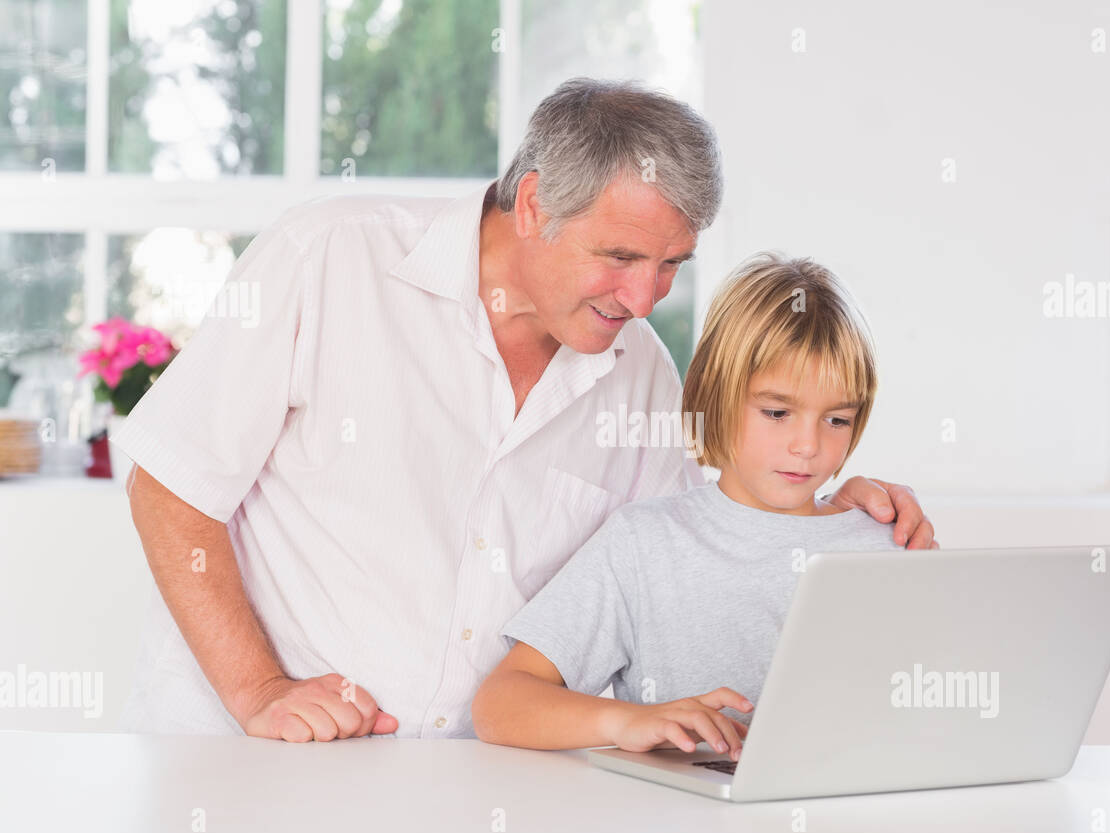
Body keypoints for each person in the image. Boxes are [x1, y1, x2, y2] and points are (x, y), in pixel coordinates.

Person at [113, 77, 937, 743]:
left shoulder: (640, 372)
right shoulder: (330, 258)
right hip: (257, 763)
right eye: (620, 256)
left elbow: (692, 545)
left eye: (672, 264)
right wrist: (261, 691)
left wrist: (826, 509)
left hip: (485, 797)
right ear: (536, 204)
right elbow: (172, 488)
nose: (646, 296)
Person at [474, 252, 905, 759]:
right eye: (777, 412)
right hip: (676, 828)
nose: (808, 446)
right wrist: (628, 721)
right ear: (717, 395)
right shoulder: (644, 543)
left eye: (836, 420)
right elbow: (500, 704)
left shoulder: (886, 544)